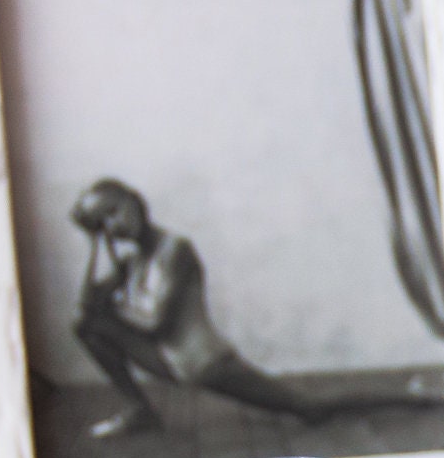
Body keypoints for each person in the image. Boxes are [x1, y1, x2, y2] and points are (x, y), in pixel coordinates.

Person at [67, 178, 330, 439]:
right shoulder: (133, 261)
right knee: (86, 325)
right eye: (102, 223)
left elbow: (156, 325)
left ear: (135, 201)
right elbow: (88, 305)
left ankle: (354, 403)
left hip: (206, 364)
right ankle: (140, 411)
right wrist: (96, 243)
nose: (113, 225)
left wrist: (115, 308)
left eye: (114, 211)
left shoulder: (175, 250)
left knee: (308, 407)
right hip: (169, 362)